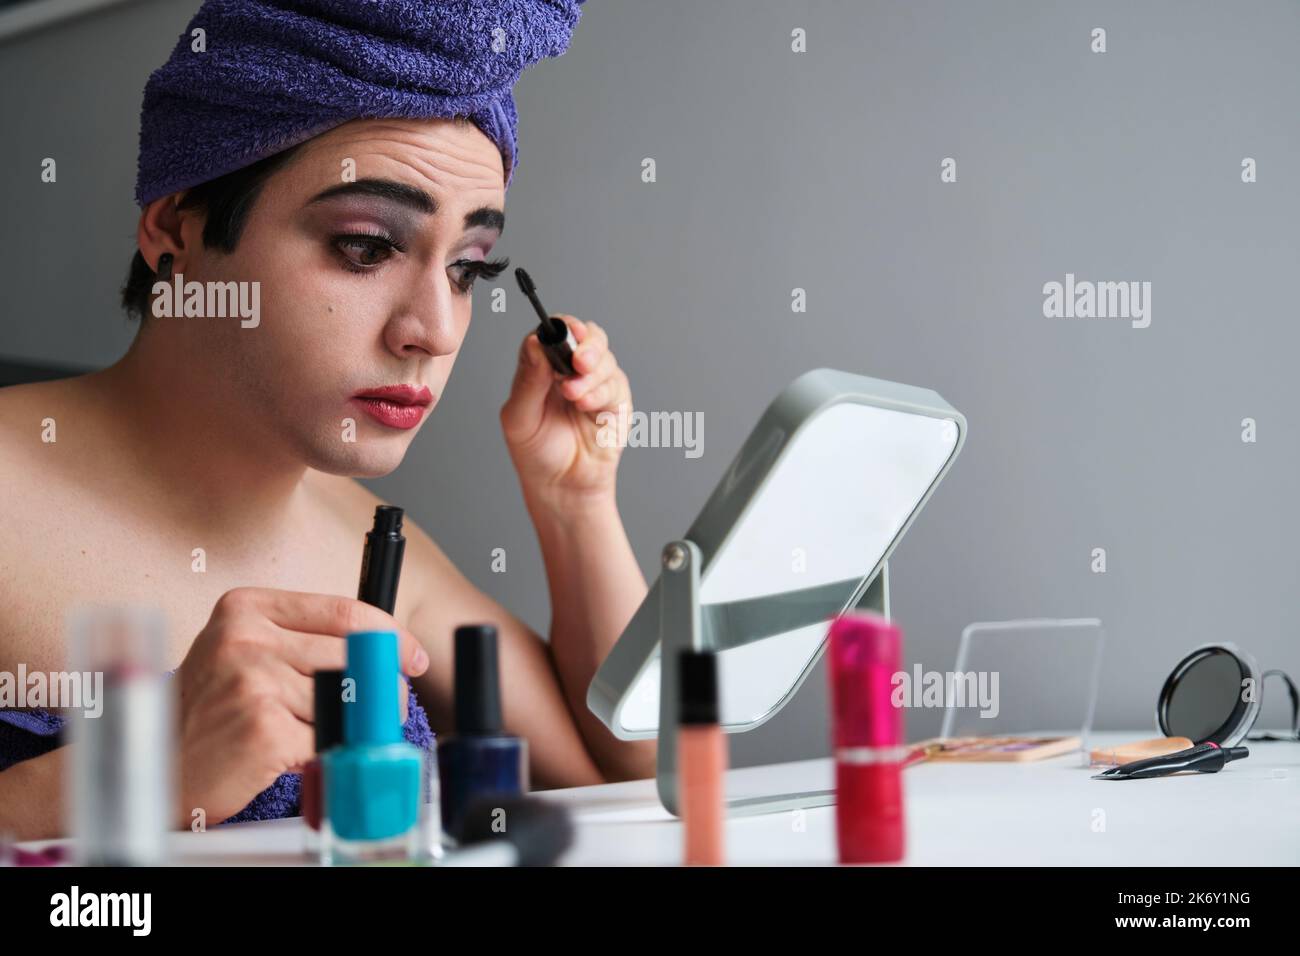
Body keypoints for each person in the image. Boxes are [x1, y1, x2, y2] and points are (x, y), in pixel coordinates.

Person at [0, 0, 654, 841]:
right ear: (176, 230)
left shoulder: (372, 543)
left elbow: (628, 782)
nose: (436, 330)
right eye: (366, 247)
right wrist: (130, 773)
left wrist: (577, 505)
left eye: (466, 269)